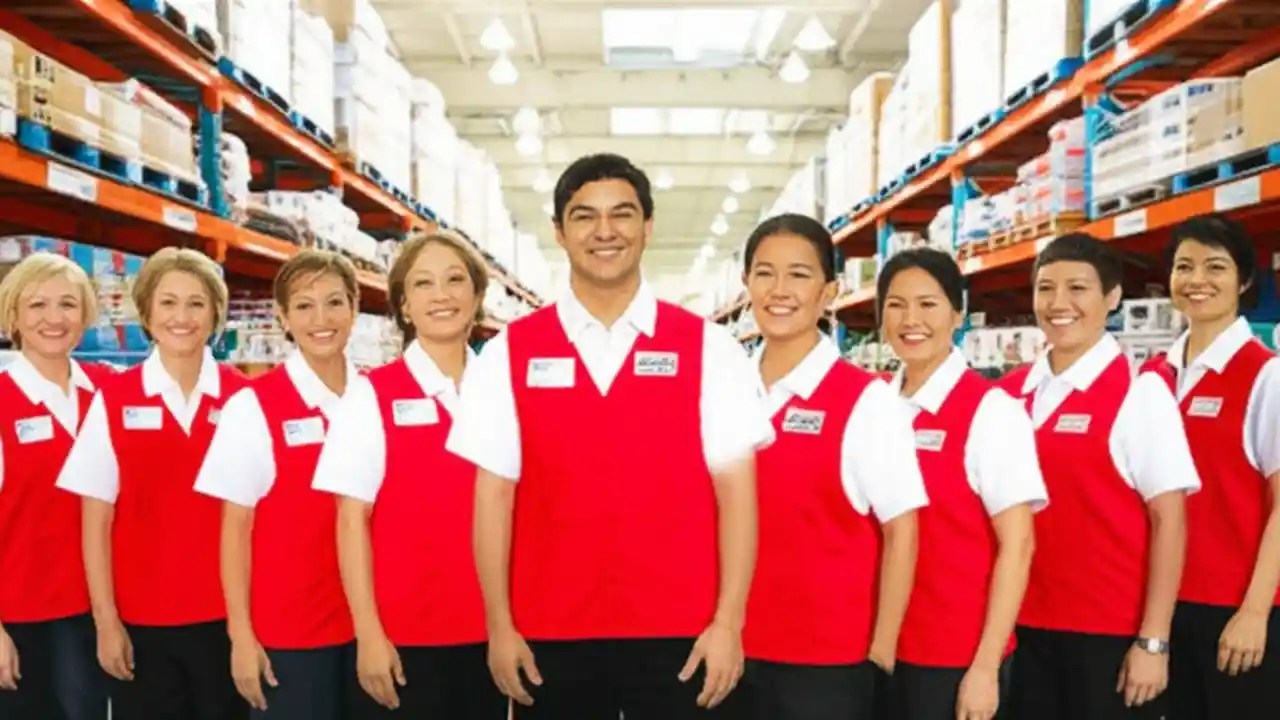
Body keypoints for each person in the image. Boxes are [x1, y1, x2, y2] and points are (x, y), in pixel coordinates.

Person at [447, 153, 774, 719]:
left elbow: (738, 497)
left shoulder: (709, 349)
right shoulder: (508, 354)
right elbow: (492, 499)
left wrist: (728, 623)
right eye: (584, 216)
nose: (605, 231)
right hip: (548, 636)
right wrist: (498, 625)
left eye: (622, 214)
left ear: (648, 227)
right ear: (560, 231)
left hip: (683, 636)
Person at [1000, 233, 1200, 720]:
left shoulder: (1138, 394)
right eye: (1046, 288)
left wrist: (1154, 641)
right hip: (1015, 630)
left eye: (1078, 288)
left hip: (1105, 637)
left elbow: (1169, 520)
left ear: (1112, 299)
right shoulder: (1006, 396)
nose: (1058, 303)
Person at [736, 214, 928, 719]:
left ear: (829, 291)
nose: (779, 290)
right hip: (728, 652)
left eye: (798, 275)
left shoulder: (865, 402)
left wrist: (881, 650)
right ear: (746, 285)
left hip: (826, 664)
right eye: (764, 273)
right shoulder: (724, 389)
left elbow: (902, 529)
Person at [311, 231, 506, 719]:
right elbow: (350, 521)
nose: (441, 295)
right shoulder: (371, 396)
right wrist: (369, 634)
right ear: (402, 306)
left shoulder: (505, 391)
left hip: (494, 635)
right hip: (404, 640)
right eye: (423, 284)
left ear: (477, 297)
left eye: (455, 280)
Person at [56, 247, 251, 720]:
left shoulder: (244, 397)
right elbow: (95, 520)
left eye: (196, 303)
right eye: (168, 302)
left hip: (228, 622)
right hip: (141, 624)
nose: (181, 317)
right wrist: (106, 621)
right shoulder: (115, 400)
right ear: (146, 312)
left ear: (215, 314)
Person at [192, 250, 362, 719]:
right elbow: (234, 529)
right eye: (304, 306)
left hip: (373, 630)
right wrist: (241, 636)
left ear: (354, 309)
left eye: (334, 302)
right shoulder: (254, 407)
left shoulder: (373, 398)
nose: (321, 319)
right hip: (291, 635)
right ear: (283, 318)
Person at [879, 248, 1047, 720]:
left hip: (953, 655)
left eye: (928, 304)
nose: (911, 319)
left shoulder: (990, 412)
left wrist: (986, 666)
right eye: (896, 304)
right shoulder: (875, 406)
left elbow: (1019, 546)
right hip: (881, 646)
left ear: (957, 313)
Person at [1141, 214, 1280, 718]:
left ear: (1244, 280)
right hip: (1159, 605)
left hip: (1231, 610)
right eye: (1185, 266)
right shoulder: (1155, 375)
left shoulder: (1265, 376)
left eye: (1215, 267)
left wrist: (1255, 611)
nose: (1197, 280)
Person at [0, 252, 112, 720]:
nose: (53, 318)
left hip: (99, 610)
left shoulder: (108, 394)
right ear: (14, 317)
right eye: (37, 305)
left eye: (67, 304)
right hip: (22, 617)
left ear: (85, 314)